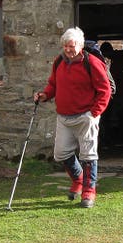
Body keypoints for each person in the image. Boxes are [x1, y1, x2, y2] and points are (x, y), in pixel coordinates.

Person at [33, 27, 112, 208]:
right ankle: (78, 179)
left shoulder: (92, 63)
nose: (68, 49)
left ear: (81, 45)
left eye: (72, 46)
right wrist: (44, 95)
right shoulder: (59, 61)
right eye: (65, 46)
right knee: (61, 153)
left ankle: (88, 192)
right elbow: (53, 85)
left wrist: (94, 113)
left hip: (86, 116)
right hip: (64, 117)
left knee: (88, 155)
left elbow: (104, 90)